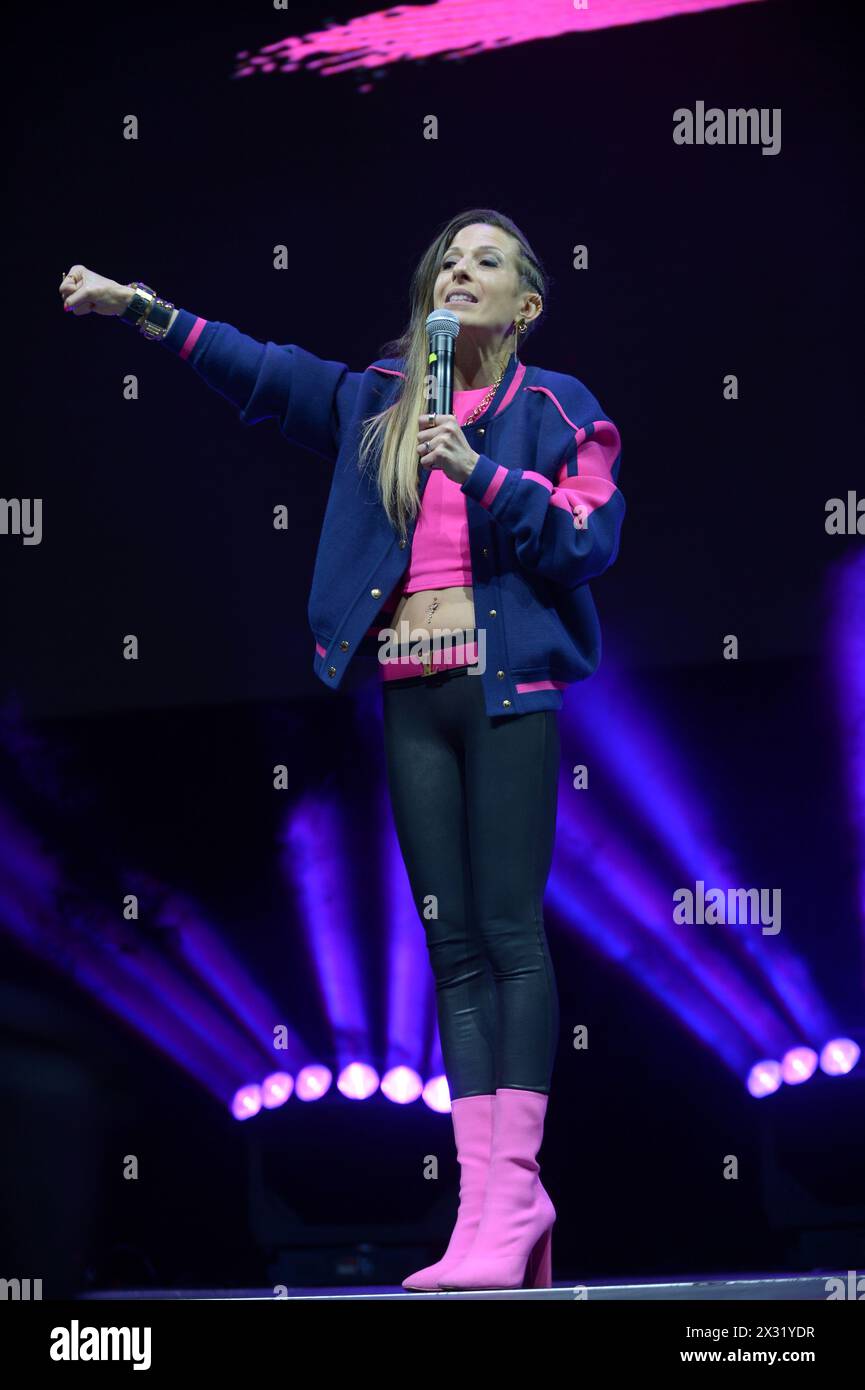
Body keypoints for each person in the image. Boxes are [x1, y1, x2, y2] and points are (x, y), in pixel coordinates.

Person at [58, 209, 625, 1292]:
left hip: (509, 693)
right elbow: (266, 372)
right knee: (451, 951)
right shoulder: (380, 399)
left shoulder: (557, 406)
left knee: (509, 936)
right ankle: (482, 1213)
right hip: (413, 695)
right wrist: (141, 308)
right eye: (447, 260)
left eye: (486, 263)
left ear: (525, 306)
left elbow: (587, 538)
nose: (458, 272)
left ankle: (516, 1195)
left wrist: (481, 472)